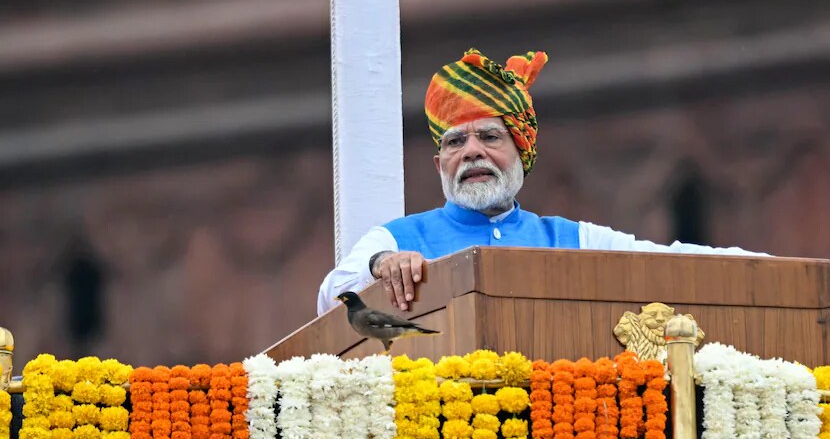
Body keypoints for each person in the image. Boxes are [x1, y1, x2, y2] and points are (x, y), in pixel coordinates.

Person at [316, 48, 767, 316]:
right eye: (456, 143)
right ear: (440, 166)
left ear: (521, 154)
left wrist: (768, 268)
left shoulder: (570, 239)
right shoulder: (397, 238)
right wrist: (379, 265)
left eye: (490, 136)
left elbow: (666, 262)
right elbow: (329, 298)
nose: (471, 151)